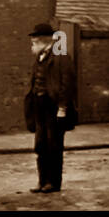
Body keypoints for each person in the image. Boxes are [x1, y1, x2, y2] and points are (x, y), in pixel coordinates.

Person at [25, 22, 75, 194]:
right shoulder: (40, 58)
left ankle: (53, 183)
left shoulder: (61, 57)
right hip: (39, 106)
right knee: (40, 145)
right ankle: (42, 181)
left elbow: (67, 84)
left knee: (54, 145)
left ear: (43, 41)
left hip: (53, 107)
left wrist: (62, 107)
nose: (32, 46)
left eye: (34, 42)